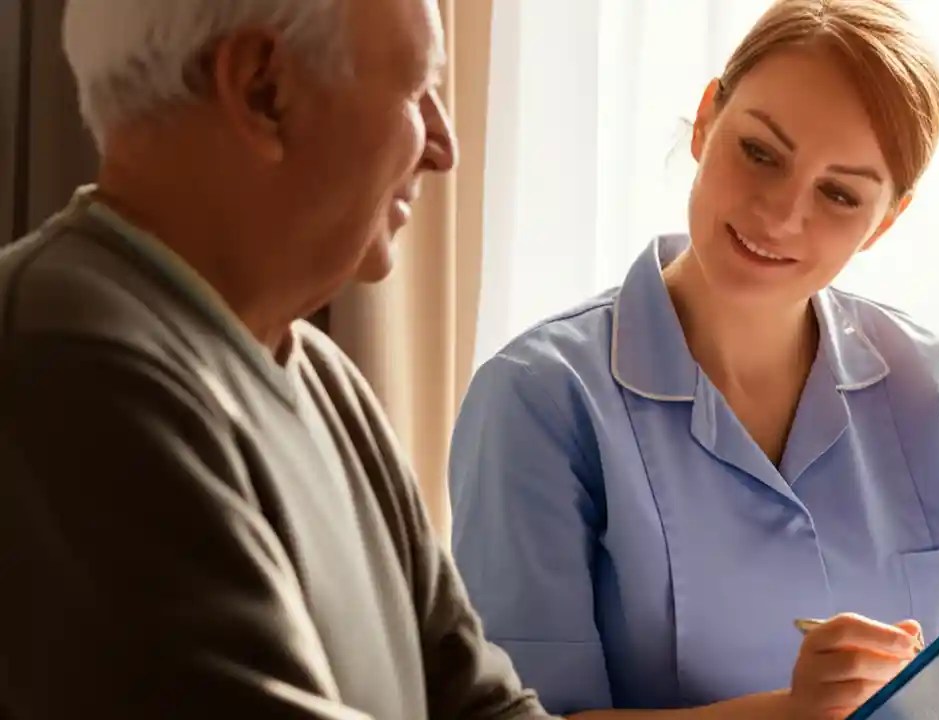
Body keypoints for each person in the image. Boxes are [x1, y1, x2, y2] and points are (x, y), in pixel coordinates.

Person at [449, 1, 939, 719]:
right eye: (760, 152)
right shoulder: (540, 398)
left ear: (886, 220)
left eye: (840, 194)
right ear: (705, 121)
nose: (782, 214)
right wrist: (789, 715)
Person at [0, 1, 555, 718]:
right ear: (264, 91)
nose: (442, 146)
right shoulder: (68, 364)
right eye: (418, 90)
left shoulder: (326, 380)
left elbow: (484, 706)